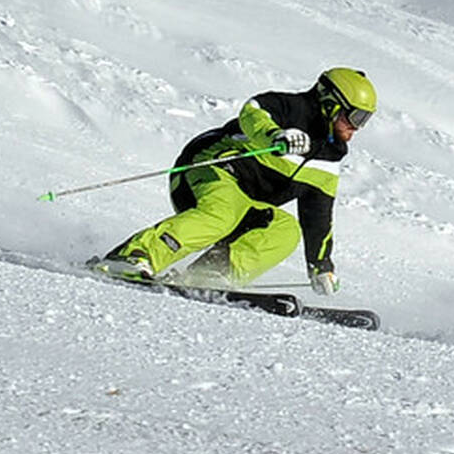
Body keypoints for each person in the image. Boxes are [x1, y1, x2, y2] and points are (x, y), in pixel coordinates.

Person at [106, 67, 376, 292]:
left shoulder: (329, 158)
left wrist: (321, 266)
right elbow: (254, 110)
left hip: (246, 206)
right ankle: (133, 256)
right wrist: (274, 136)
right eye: (356, 116)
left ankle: (212, 273)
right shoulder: (291, 110)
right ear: (331, 104)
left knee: (285, 230)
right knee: (223, 212)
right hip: (208, 171)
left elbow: (318, 217)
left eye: (365, 120)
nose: (358, 127)